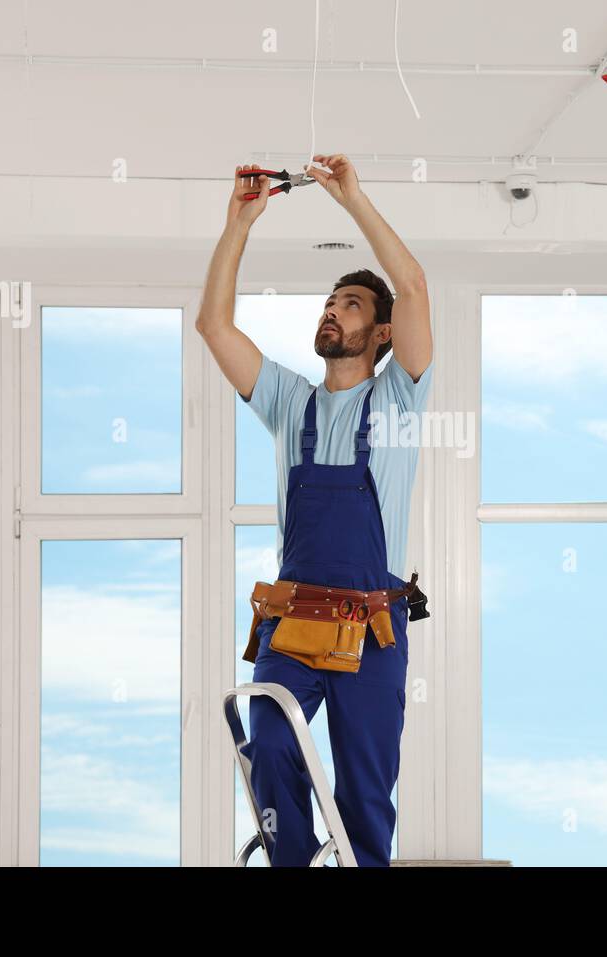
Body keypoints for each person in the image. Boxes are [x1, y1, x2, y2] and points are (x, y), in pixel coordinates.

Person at [197, 155, 433, 866]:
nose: (333, 311)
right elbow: (213, 325)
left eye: (353, 304)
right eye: (331, 302)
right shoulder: (289, 401)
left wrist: (352, 199)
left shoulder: (396, 401)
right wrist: (239, 221)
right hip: (294, 621)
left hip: (374, 627)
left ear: (382, 333)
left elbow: (416, 286)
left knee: (365, 795)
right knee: (267, 734)